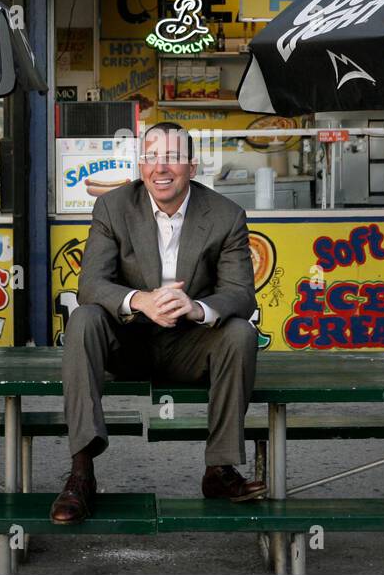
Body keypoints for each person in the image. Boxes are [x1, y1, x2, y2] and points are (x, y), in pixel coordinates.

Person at [51, 122, 265, 524]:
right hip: (128, 343)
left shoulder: (225, 215)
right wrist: (141, 300)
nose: (160, 168)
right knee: (83, 319)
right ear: (140, 164)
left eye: (171, 158)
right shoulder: (113, 207)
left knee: (240, 332)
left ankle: (219, 470)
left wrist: (195, 307)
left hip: (190, 345)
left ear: (192, 166)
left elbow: (240, 293)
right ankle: (81, 473)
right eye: (151, 157)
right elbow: (91, 285)